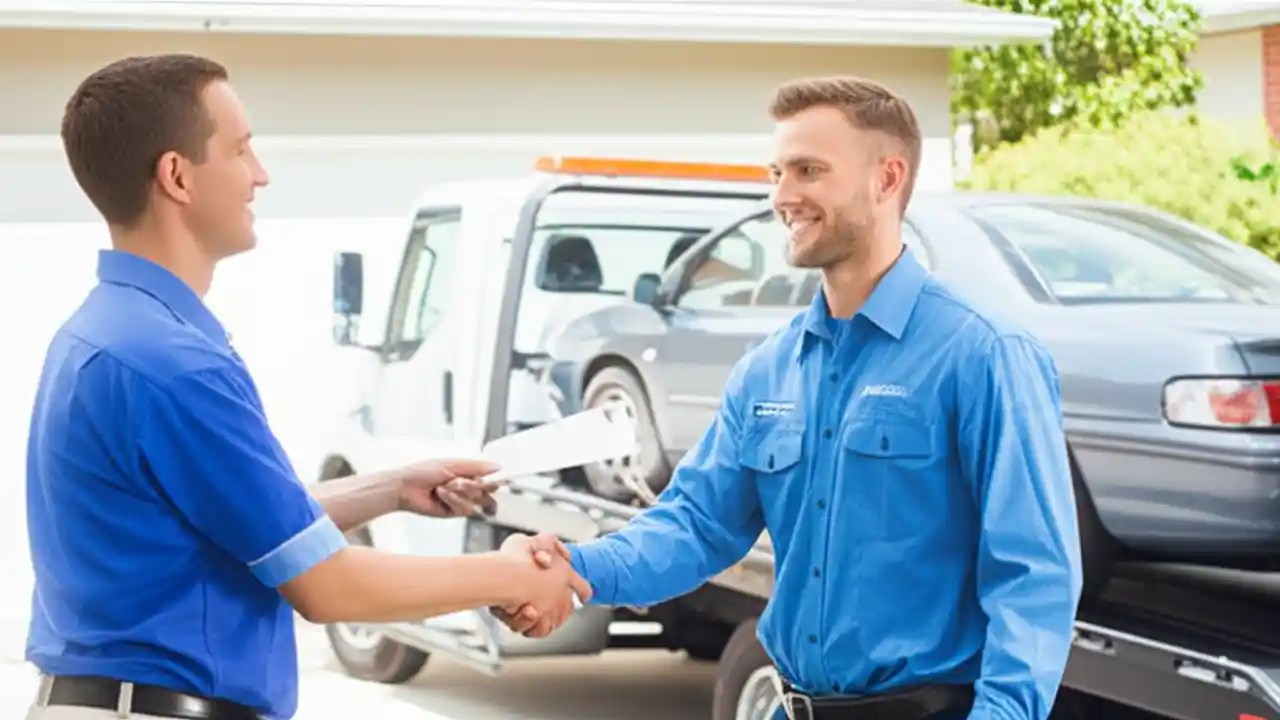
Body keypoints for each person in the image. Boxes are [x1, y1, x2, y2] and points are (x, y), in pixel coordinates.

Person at [496, 75, 1084, 719]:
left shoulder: (983, 353)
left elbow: (1034, 576)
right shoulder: (770, 369)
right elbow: (696, 525)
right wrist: (575, 568)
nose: (781, 196)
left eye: (808, 170)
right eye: (777, 172)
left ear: (886, 179)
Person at [23, 54, 587, 720]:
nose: (260, 175)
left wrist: (391, 489)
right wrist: (512, 575)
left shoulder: (107, 333)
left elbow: (241, 523)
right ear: (176, 176)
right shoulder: (171, 363)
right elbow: (329, 586)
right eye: (240, 150)